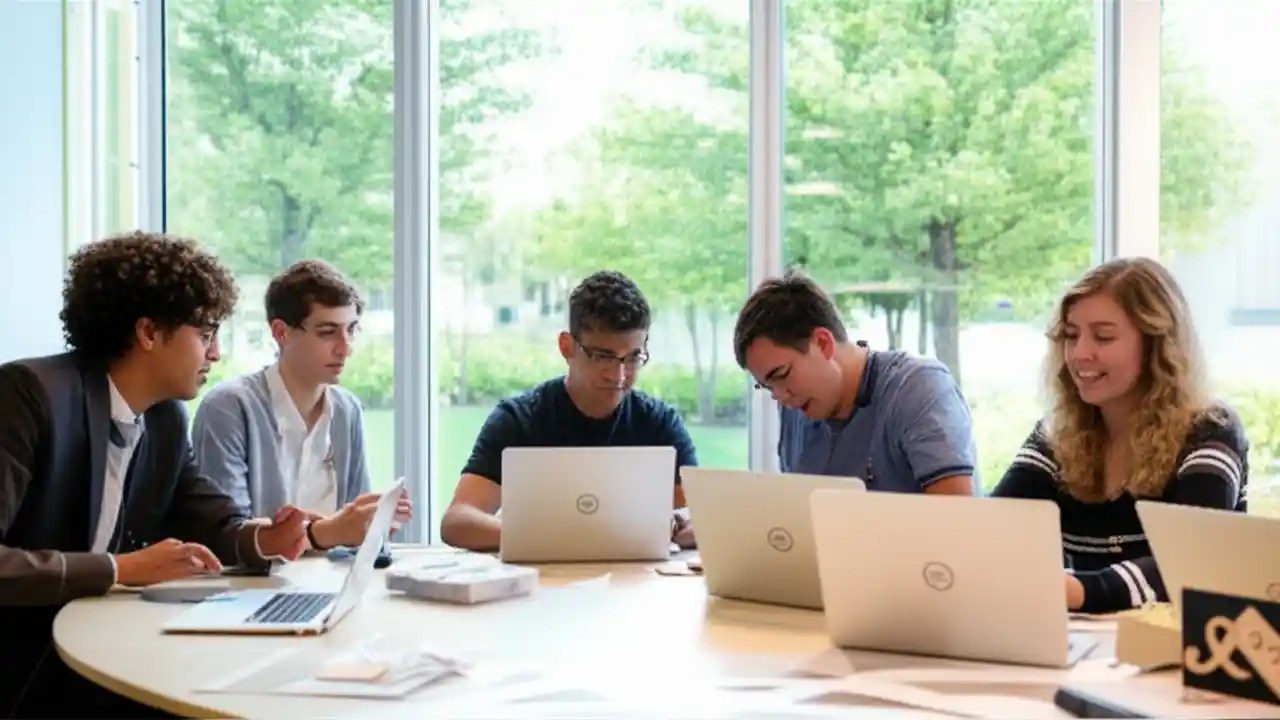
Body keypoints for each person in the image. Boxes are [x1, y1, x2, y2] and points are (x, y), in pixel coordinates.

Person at [0, 232, 312, 718]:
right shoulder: (30, 395)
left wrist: (266, 538)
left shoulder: (163, 419)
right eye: (206, 333)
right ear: (148, 333)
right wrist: (121, 569)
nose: (214, 354)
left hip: (104, 649)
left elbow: (203, 514)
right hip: (26, 667)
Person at [992, 257, 1248, 614]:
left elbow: (1187, 565)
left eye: (1103, 336)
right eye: (1071, 335)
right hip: (1089, 654)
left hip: (1183, 654)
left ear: (1158, 345)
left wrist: (1078, 589)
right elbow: (989, 531)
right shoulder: (1055, 435)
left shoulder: (1211, 432)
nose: (1079, 353)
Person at [440, 271, 699, 552]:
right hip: (540, 586)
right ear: (566, 346)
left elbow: (700, 518)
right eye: (603, 356)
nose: (619, 375)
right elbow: (457, 521)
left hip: (633, 587)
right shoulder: (519, 420)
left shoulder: (659, 423)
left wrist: (679, 526)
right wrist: (555, 537)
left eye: (634, 357)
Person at [192, 260, 410, 550]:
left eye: (351, 330)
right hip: (252, 589)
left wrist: (374, 520)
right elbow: (226, 538)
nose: (345, 347)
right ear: (281, 333)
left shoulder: (347, 411)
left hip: (330, 581)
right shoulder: (229, 408)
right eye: (327, 332)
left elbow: (354, 538)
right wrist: (329, 531)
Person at [733, 270, 977, 494]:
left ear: (823, 343)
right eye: (768, 386)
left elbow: (956, 520)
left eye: (782, 375)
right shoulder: (798, 408)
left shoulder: (918, 389)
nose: (781, 397)